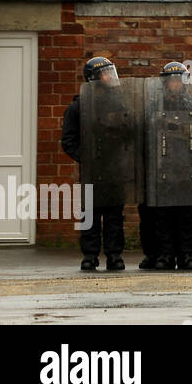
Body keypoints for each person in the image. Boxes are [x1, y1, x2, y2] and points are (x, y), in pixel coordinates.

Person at [61, 57, 133, 272]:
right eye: (105, 73)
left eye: (112, 72)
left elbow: (131, 132)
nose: (111, 77)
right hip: (92, 170)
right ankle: (90, 255)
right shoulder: (78, 106)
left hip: (115, 168)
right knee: (89, 215)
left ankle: (114, 255)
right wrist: (86, 157)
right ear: (94, 78)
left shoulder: (120, 103)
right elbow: (69, 141)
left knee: (114, 216)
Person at [147, 61, 192, 270]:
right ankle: (165, 254)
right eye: (172, 81)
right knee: (163, 216)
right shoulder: (155, 106)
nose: (175, 84)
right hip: (163, 166)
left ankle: (189, 254)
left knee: (188, 215)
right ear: (165, 83)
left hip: (188, 165)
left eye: (179, 80)